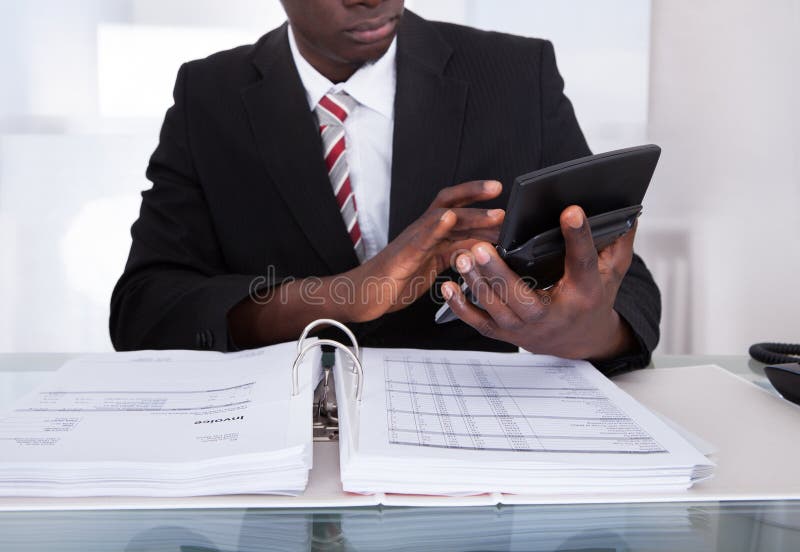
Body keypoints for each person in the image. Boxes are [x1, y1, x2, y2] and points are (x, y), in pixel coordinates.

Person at [110, 0, 661, 373]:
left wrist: (587, 333)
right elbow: (145, 308)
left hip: (471, 465)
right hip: (282, 459)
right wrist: (344, 294)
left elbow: (624, 286)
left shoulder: (517, 74)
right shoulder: (211, 95)